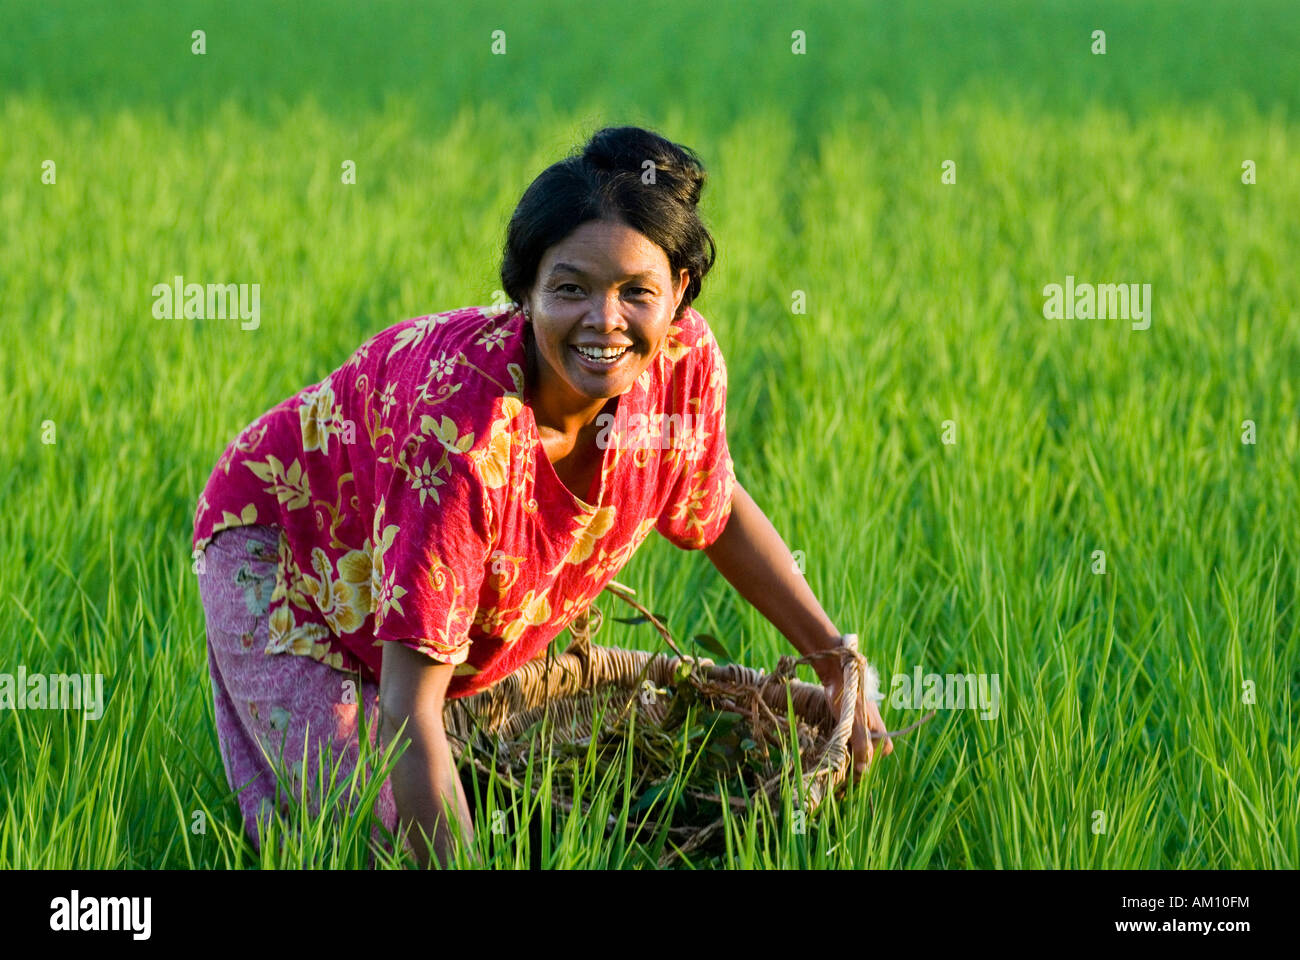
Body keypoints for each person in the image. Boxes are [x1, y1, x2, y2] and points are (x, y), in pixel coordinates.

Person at [192, 124, 892, 869]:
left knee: (493, 804)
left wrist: (834, 660)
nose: (605, 322)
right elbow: (408, 710)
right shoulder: (465, 445)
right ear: (523, 294)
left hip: (413, 570)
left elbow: (714, 508)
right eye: (570, 289)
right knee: (369, 839)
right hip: (288, 549)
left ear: (678, 293)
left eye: (637, 293)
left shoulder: (682, 363)